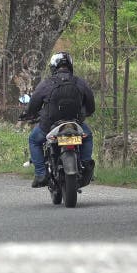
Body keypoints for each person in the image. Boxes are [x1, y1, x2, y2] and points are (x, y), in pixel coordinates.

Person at [22, 52, 96, 188]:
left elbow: (34, 102)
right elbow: (90, 103)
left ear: (53, 67)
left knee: (34, 140)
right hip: (75, 124)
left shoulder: (47, 83)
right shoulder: (79, 82)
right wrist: (87, 112)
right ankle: (86, 164)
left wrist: (28, 114)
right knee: (88, 136)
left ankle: (40, 174)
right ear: (70, 66)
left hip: (49, 125)